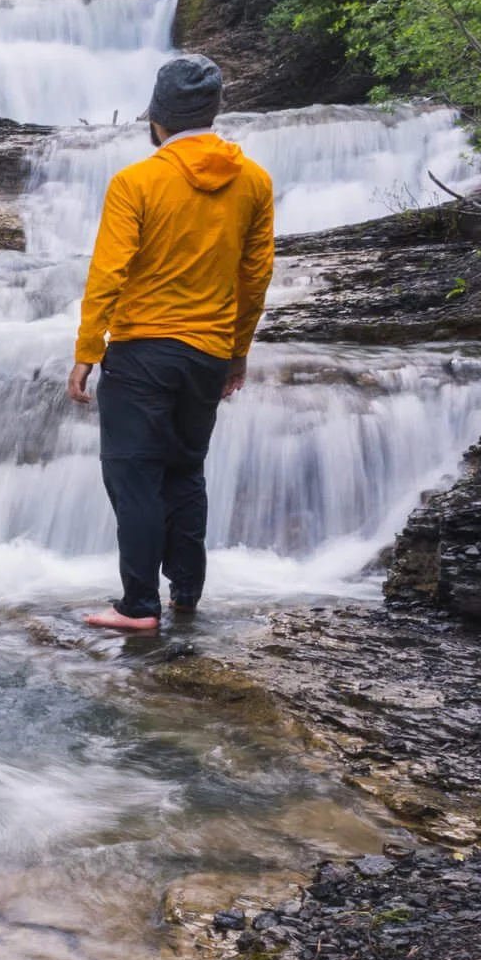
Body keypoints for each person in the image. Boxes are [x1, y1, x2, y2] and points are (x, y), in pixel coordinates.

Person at [66, 53, 275, 632]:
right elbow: (255, 276)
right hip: (208, 352)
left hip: (141, 352)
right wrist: (237, 350)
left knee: (133, 474)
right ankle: (186, 592)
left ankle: (138, 606)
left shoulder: (137, 181)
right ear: (215, 111)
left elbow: (109, 271)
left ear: (156, 117)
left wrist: (87, 350)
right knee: (185, 471)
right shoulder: (254, 181)